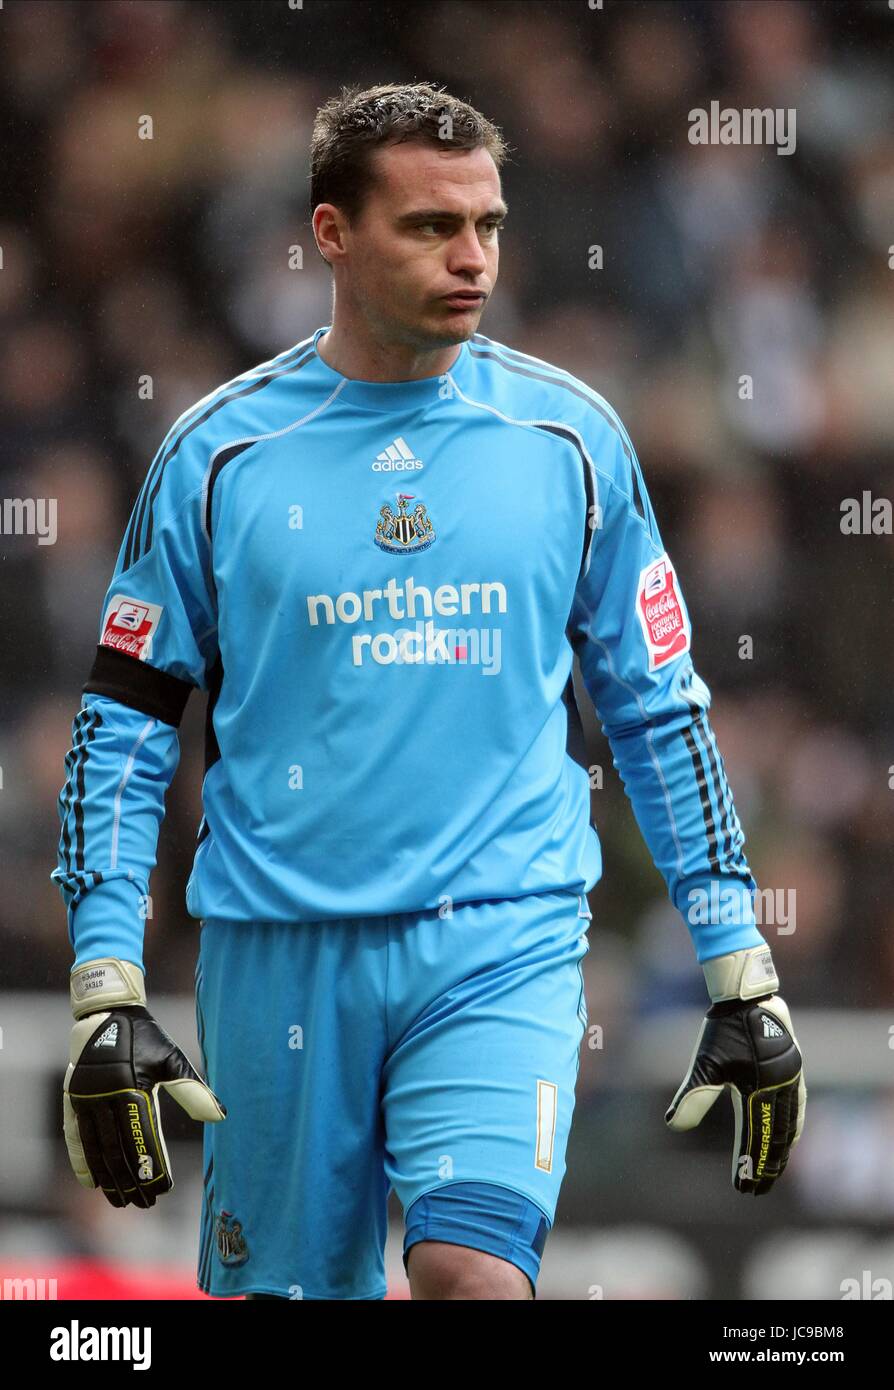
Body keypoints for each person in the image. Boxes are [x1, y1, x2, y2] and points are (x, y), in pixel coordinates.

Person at [53, 81, 805, 1302]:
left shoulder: (571, 442)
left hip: (499, 936)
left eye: (490, 225)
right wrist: (104, 980)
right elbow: (124, 725)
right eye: (430, 227)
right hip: (278, 952)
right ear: (332, 234)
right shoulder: (217, 455)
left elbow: (660, 706)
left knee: (472, 1271)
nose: (472, 259)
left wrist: (738, 958)